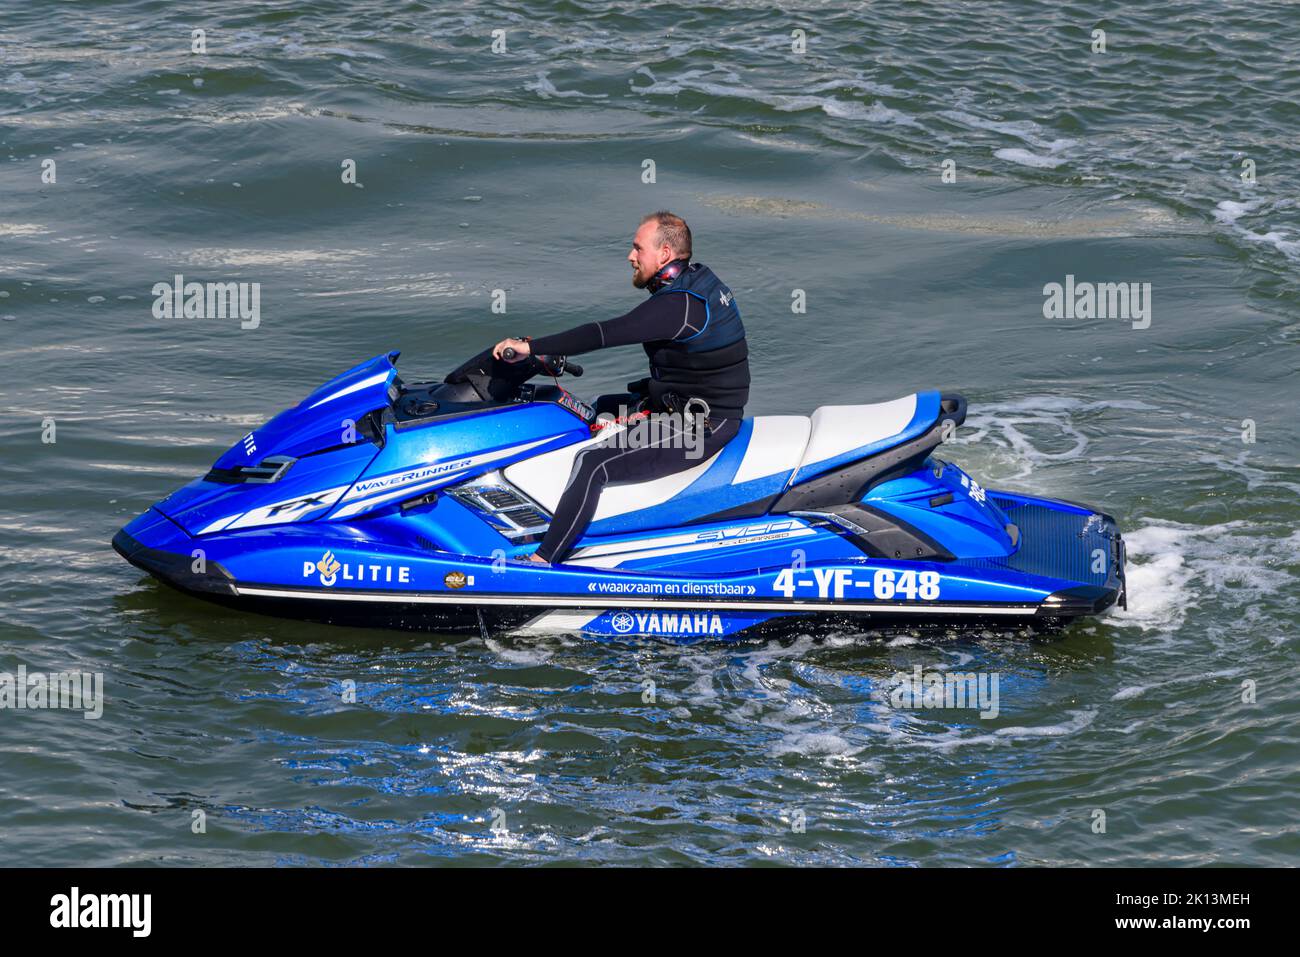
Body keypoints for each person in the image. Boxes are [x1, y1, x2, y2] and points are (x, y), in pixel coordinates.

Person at [492, 211, 750, 564]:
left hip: (701, 425)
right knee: (593, 409)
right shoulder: (696, 281)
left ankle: (544, 560)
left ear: (664, 255)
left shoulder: (680, 306)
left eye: (637, 248)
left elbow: (605, 333)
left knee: (592, 462)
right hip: (686, 405)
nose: (630, 256)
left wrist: (530, 346)